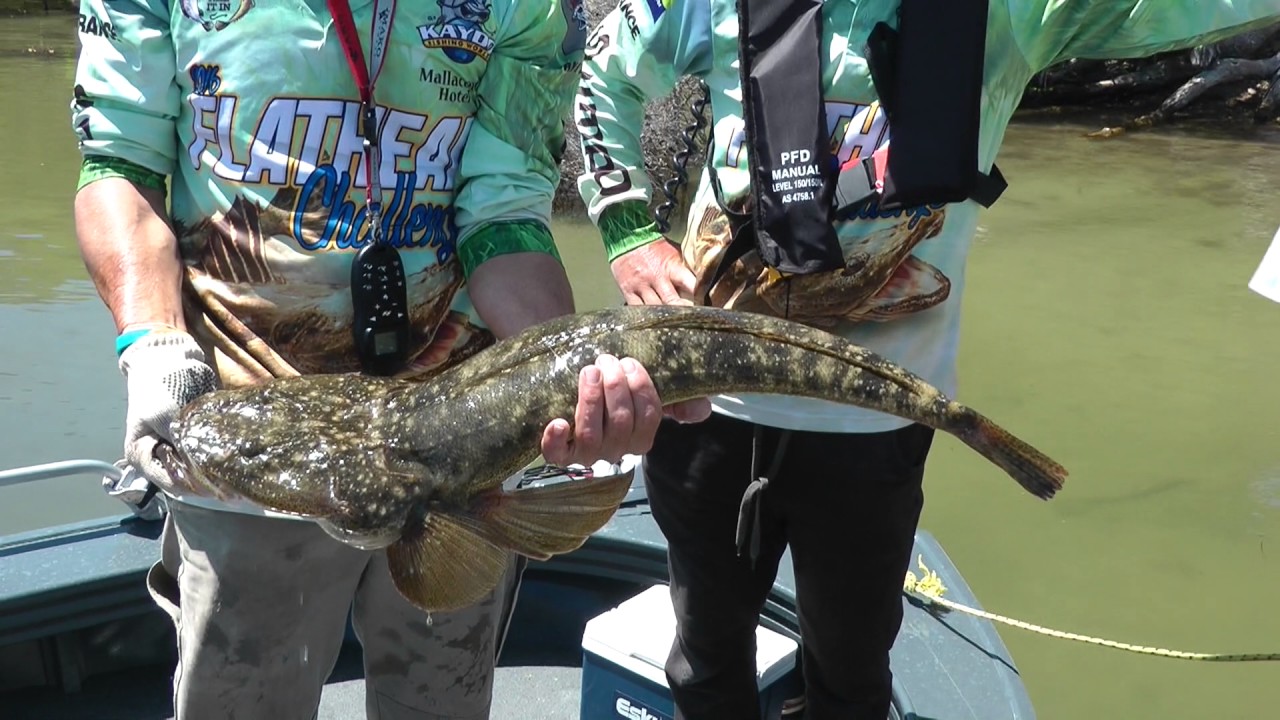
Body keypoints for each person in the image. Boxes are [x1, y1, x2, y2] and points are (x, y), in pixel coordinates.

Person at [574, 2, 1280, 718]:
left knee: (851, 675)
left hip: (875, 429)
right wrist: (630, 230)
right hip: (708, 407)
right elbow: (604, 68)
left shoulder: (1012, 18)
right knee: (704, 660)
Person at [69, 0, 708, 717]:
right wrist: (153, 342)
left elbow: (502, 215)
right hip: (244, 439)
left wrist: (573, 384)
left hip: (462, 444)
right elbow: (120, 161)